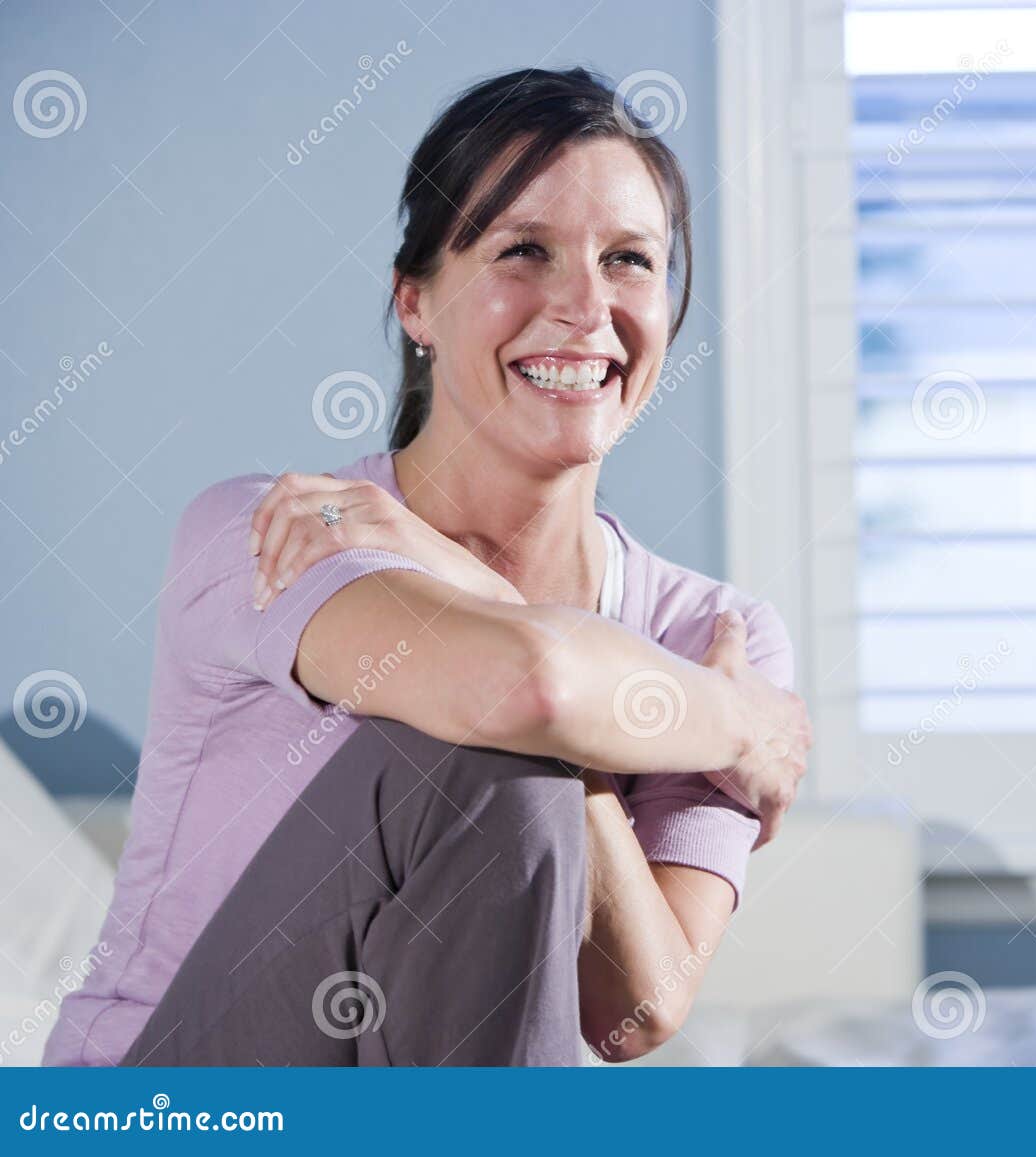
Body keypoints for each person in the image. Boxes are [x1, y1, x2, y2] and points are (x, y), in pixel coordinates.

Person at [42, 66, 810, 1067]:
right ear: (415, 300)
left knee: (515, 757)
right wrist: (733, 718)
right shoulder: (279, 531)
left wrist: (501, 617)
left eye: (629, 260)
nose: (586, 305)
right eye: (524, 249)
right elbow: (520, 683)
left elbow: (634, 1012)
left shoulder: (712, 630)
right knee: (487, 757)